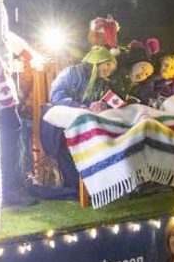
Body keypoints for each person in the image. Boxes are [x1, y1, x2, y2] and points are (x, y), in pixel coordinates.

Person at [39, 46, 118, 189]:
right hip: (61, 120)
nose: (109, 70)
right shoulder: (72, 73)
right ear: (98, 60)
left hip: (86, 120)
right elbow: (56, 95)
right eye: (108, 64)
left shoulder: (101, 82)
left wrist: (99, 105)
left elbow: (94, 102)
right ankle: (79, 184)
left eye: (112, 68)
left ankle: (103, 181)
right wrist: (80, 106)